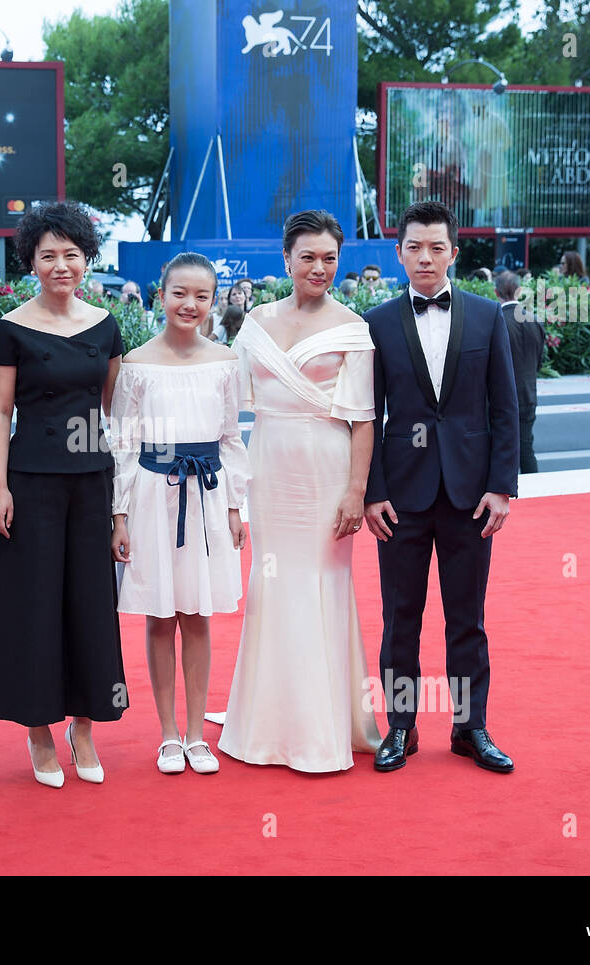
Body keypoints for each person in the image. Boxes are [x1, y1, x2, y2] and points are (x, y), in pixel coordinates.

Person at [217, 209, 383, 773]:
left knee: (320, 585)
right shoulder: (257, 321)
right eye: (307, 257)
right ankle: (266, 725)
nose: (319, 267)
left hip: (326, 469)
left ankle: (323, 729)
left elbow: (364, 420)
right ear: (286, 259)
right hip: (269, 464)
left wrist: (355, 491)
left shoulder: (353, 327)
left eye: (329, 258)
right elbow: (226, 402)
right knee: (273, 589)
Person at [363, 201, 519, 774]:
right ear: (398, 252)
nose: (424, 257)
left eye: (436, 247)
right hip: (400, 500)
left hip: (470, 496)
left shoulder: (486, 317)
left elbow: (506, 408)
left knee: (467, 618)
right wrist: (371, 491)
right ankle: (400, 728)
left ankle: (470, 727)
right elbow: (366, 414)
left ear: (454, 252)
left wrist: (501, 486)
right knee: (400, 617)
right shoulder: (375, 323)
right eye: (413, 247)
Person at [0, 200, 127, 787]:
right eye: (48, 255)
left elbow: (114, 414)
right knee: (33, 604)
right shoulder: (12, 328)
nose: (61, 265)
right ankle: (39, 730)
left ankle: (84, 726)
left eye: (71, 254)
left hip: (92, 482)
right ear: (31, 263)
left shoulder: (106, 325)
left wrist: (120, 506)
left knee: (92, 604)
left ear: (86, 259)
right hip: (31, 483)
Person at [110, 252, 249, 774]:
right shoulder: (136, 364)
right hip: (152, 494)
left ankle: (197, 734)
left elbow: (232, 438)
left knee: (197, 614)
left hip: (209, 496)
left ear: (214, 301)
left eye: (202, 296)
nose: (190, 304)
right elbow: (123, 443)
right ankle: (167, 733)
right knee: (159, 613)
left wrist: (236, 505)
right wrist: (119, 516)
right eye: (179, 293)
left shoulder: (225, 361)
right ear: (160, 295)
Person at [497, 271, 543, 474]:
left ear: (496, 292)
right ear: (520, 290)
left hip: (502, 397)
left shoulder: (497, 321)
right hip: (528, 392)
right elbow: (539, 362)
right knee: (526, 448)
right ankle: (535, 493)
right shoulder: (534, 321)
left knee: (501, 450)